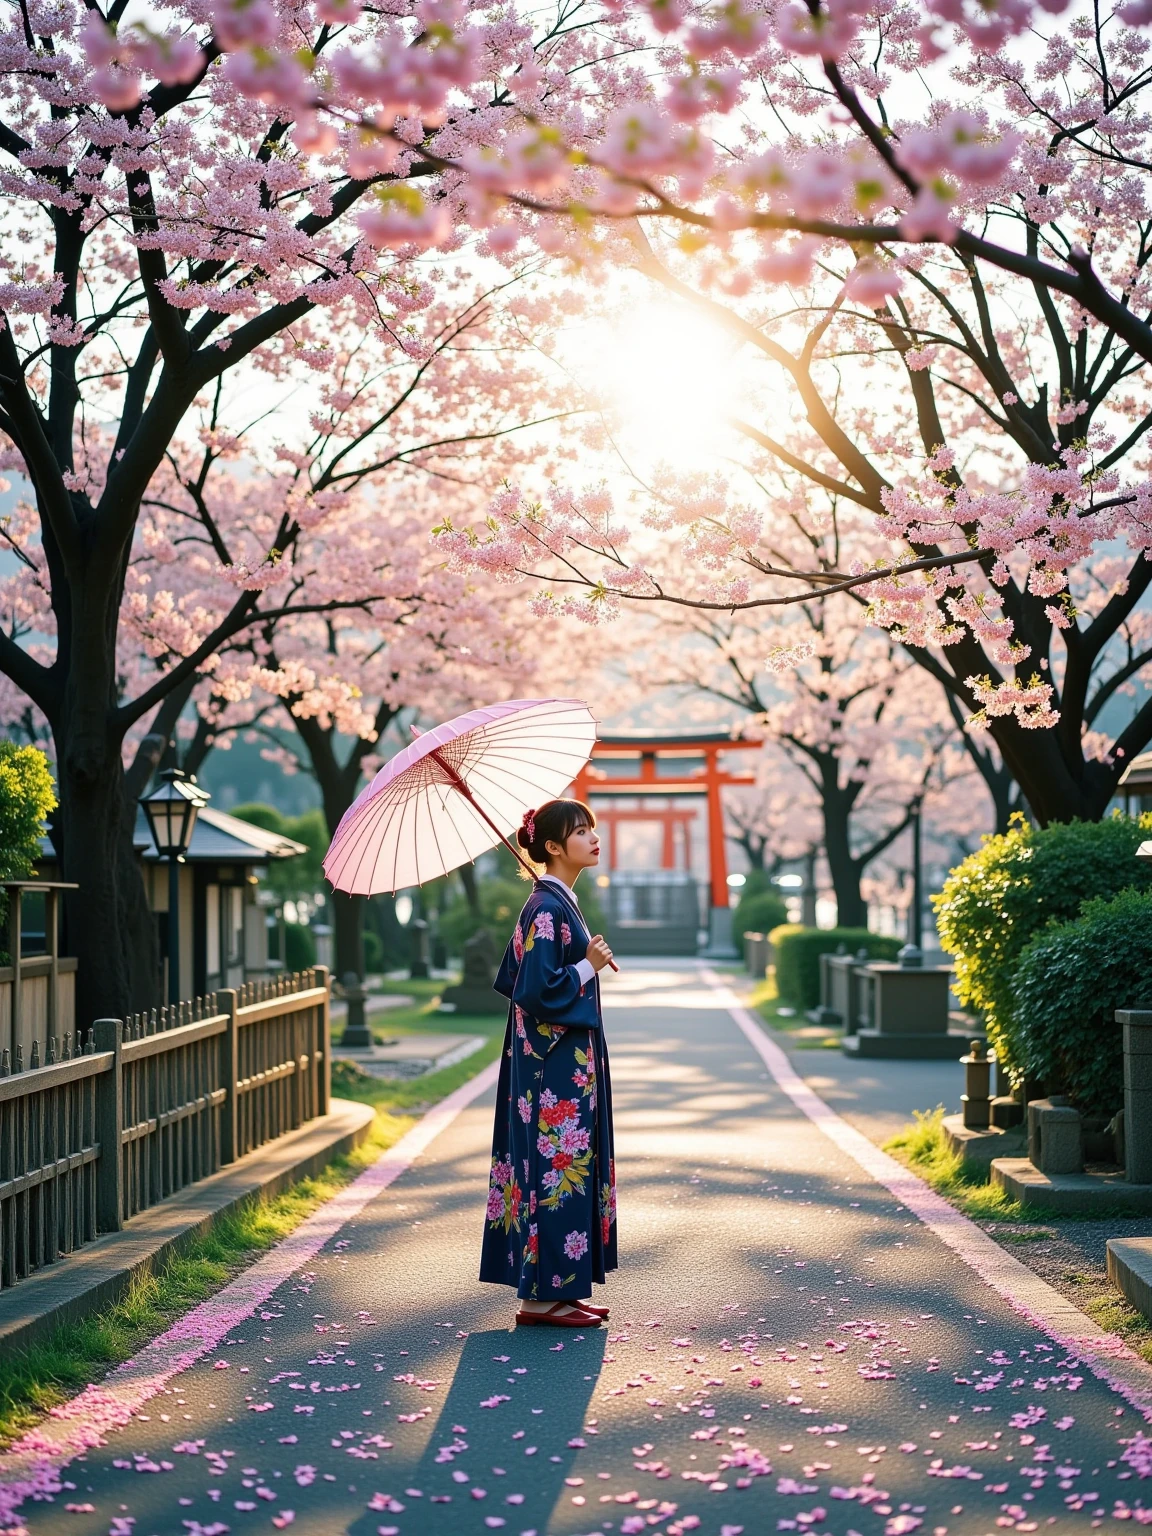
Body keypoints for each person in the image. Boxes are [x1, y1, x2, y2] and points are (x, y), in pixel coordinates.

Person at [478, 798, 618, 1327]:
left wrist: (585, 961)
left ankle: (559, 1288)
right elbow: (534, 989)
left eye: (591, 828)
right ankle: (539, 1297)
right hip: (550, 1070)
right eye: (580, 831)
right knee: (554, 1169)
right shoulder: (546, 908)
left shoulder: (558, 904)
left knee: (565, 1171)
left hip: (562, 1065)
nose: (592, 837)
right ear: (554, 847)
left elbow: (522, 977)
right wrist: (588, 965)